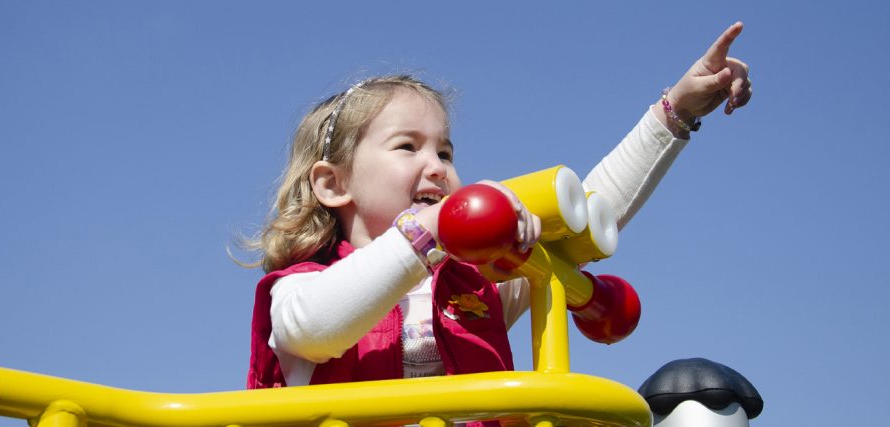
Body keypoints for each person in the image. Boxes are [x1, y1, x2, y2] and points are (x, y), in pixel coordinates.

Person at [246, 23, 752, 391]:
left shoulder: (476, 287)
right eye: (408, 147)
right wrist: (429, 230)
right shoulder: (301, 286)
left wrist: (674, 114)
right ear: (333, 185)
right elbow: (313, 329)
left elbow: (583, 220)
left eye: (445, 151)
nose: (438, 166)